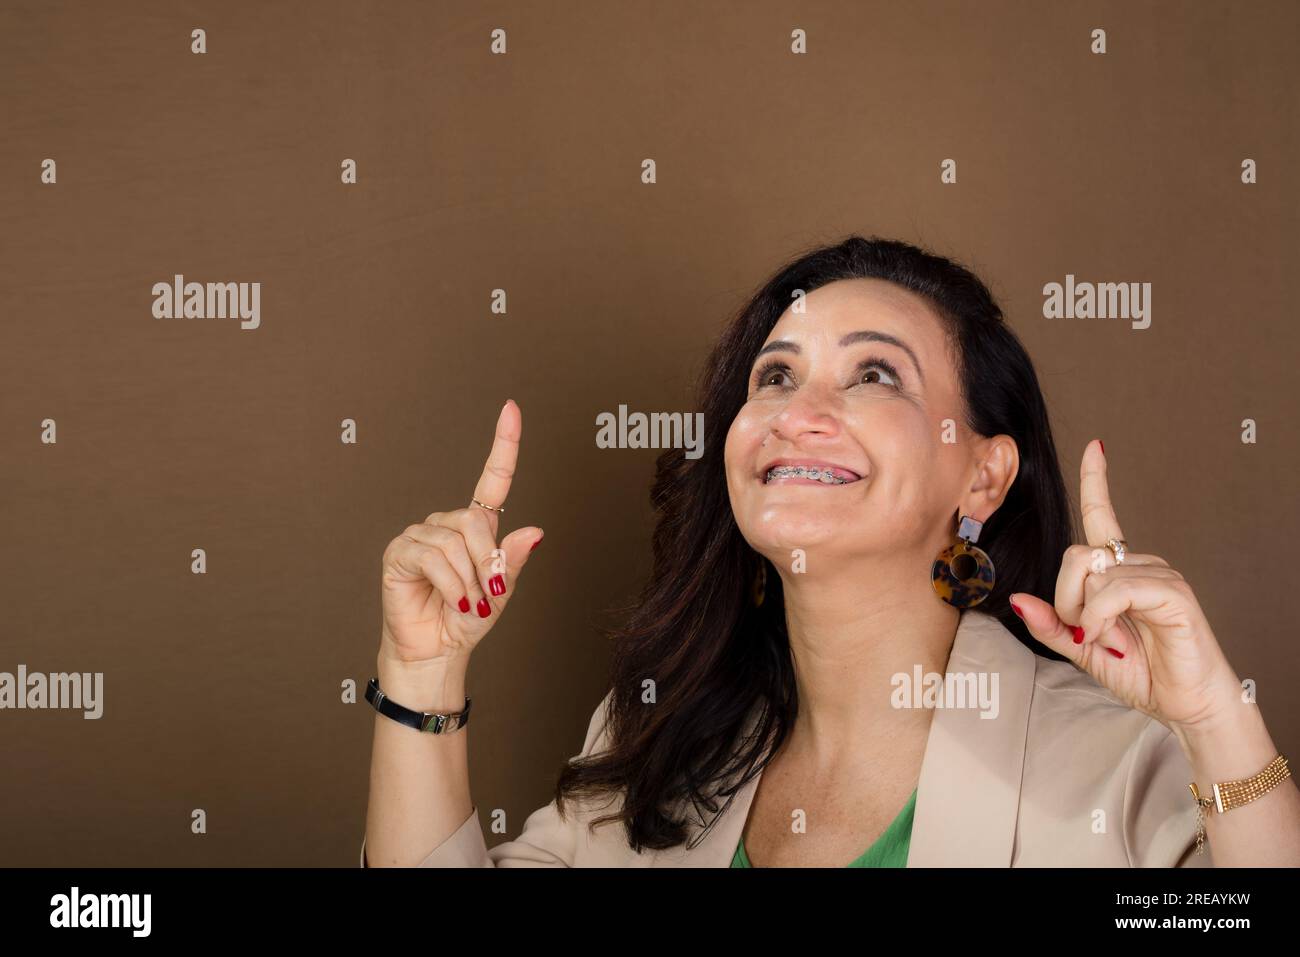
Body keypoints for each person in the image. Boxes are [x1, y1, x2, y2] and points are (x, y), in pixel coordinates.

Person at [360, 236, 1298, 867]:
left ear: (982, 477)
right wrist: (420, 676)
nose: (798, 416)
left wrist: (1215, 715)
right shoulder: (650, 740)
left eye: (875, 372)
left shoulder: (1124, 766)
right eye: (775, 375)